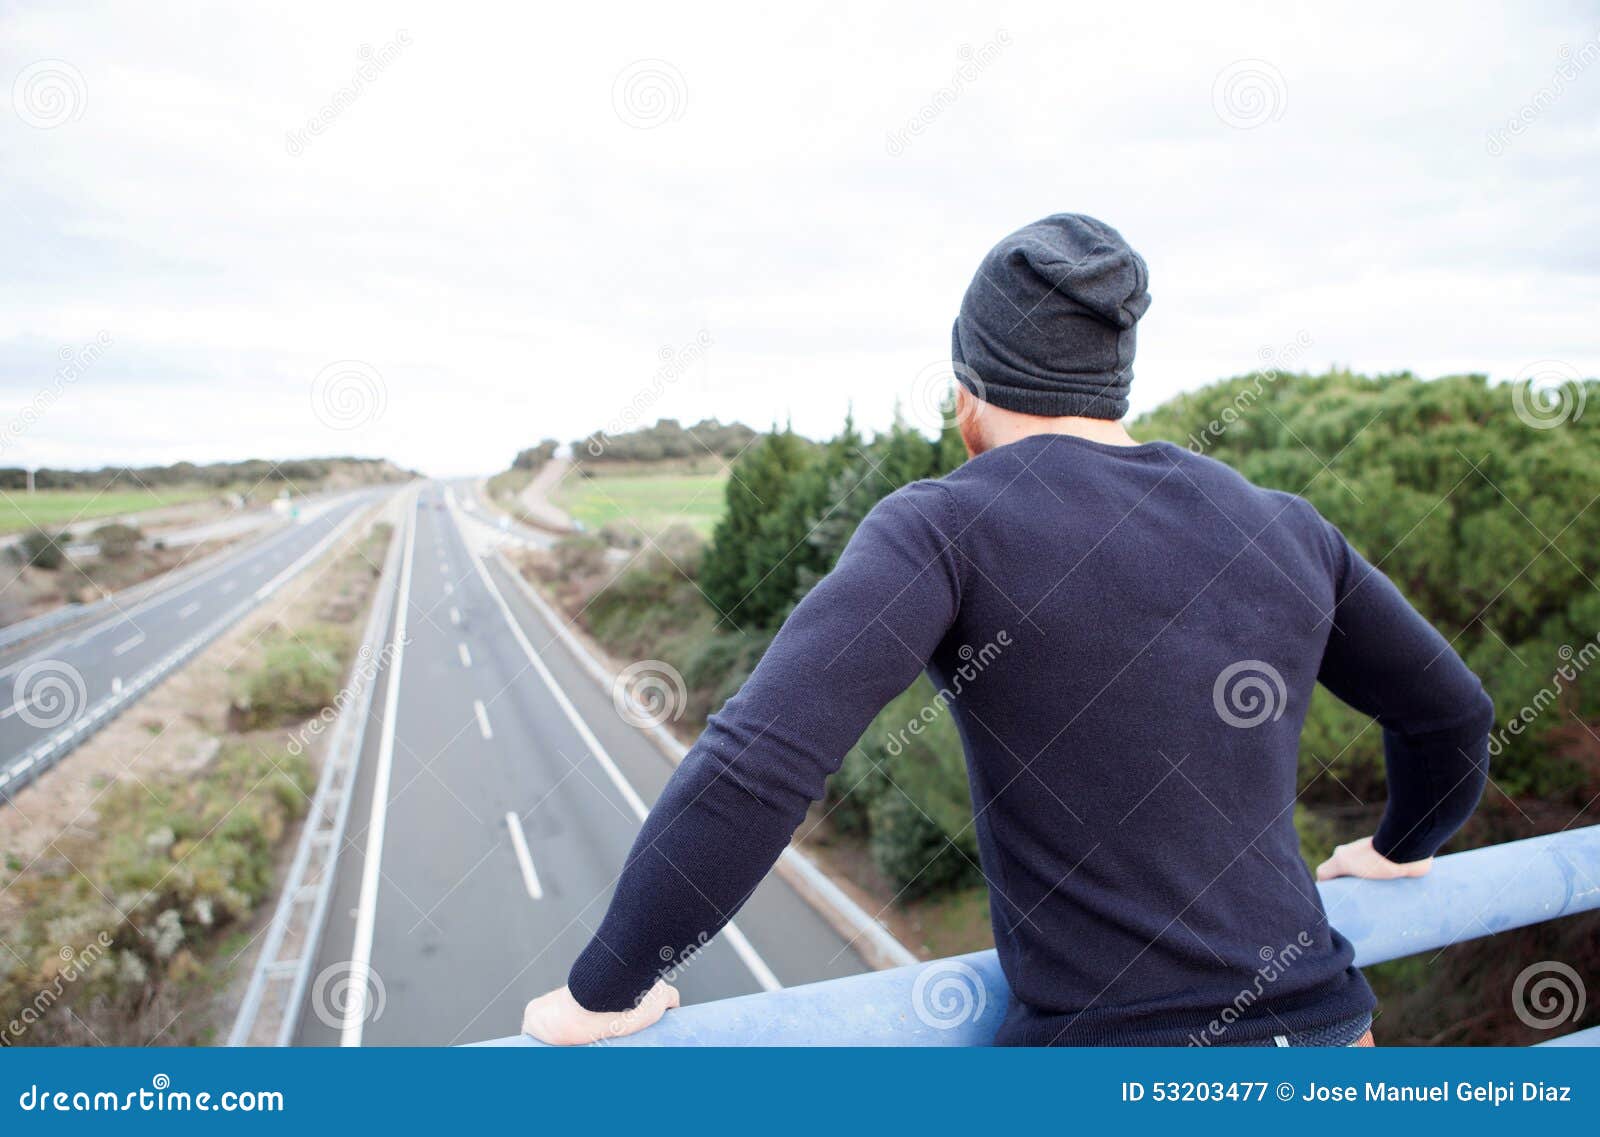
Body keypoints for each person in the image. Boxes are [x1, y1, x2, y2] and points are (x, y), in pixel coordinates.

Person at [521, 213, 1494, 1047]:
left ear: (966, 395)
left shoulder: (944, 522)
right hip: (1334, 1038)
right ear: (1114, 382)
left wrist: (607, 985)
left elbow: (759, 763)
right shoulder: (1283, 523)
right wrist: (1402, 845)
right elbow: (1451, 716)